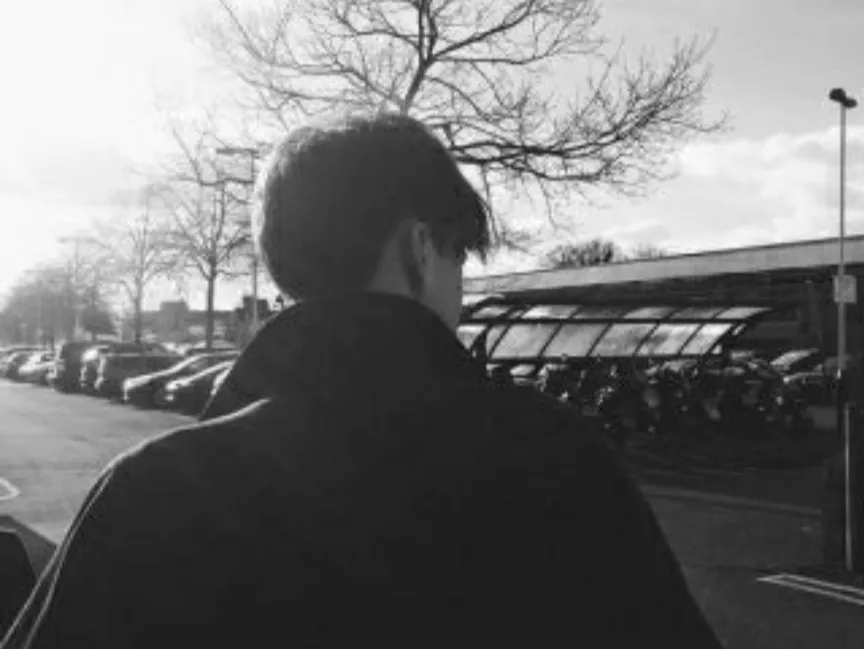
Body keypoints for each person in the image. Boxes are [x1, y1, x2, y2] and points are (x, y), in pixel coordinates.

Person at [2, 114, 721, 649]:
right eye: (459, 258)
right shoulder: (555, 459)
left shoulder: (154, 490)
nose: (459, 293)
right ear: (419, 249)